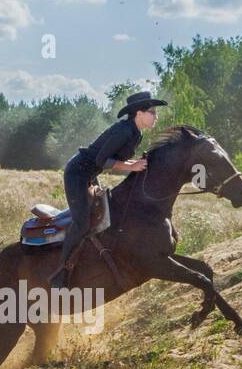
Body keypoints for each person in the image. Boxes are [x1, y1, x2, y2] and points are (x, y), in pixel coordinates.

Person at [48, 90, 167, 289]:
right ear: (139, 113)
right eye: (152, 112)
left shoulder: (135, 132)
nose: (156, 116)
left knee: (104, 215)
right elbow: (102, 160)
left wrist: (135, 163)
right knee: (82, 223)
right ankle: (60, 274)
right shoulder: (124, 131)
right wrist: (131, 167)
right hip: (77, 174)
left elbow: (116, 159)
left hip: (90, 174)